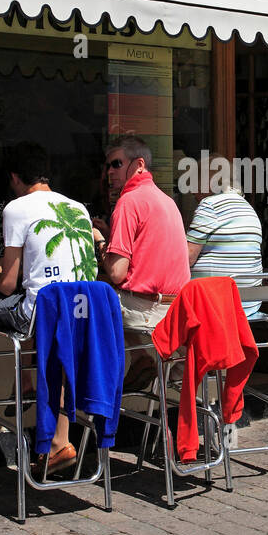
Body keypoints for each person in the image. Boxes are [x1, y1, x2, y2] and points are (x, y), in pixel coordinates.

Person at [0, 142, 96, 472]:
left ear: (15, 177)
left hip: (36, 316)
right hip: (81, 314)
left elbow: (6, 284)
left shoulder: (16, 208)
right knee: (55, 338)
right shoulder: (78, 208)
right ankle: (55, 435)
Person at [94, 135, 190, 387]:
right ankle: (141, 361)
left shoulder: (128, 201)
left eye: (116, 164)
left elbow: (116, 272)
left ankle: (93, 397)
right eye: (107, 166)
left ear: (138, 165)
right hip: (177, 313)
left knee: (85, 302)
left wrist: (99, 240)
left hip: (147, 313)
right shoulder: (166, 200)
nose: (109, 172)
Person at [186, 157, 264, 318]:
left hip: (218, 302)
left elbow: (187, 257)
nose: (192, 191)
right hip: (250, 305)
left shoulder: (210, 205)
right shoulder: (247, 207)